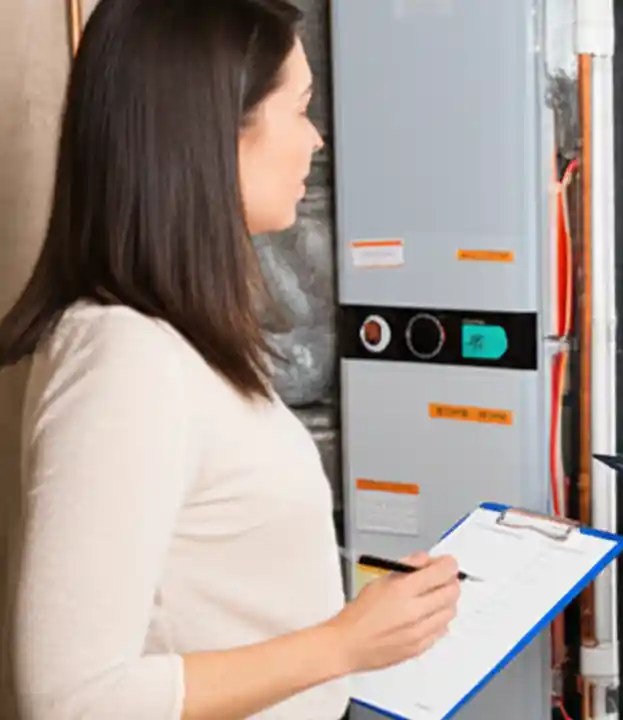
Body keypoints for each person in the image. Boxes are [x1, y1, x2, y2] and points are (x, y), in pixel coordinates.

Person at [0, 0, 460, 717]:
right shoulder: (125, 362)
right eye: (300, 108)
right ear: (215, 130)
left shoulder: (179, 341)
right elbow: (71, 699)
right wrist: (342, 644)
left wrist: (377, 618)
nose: (316, 141)